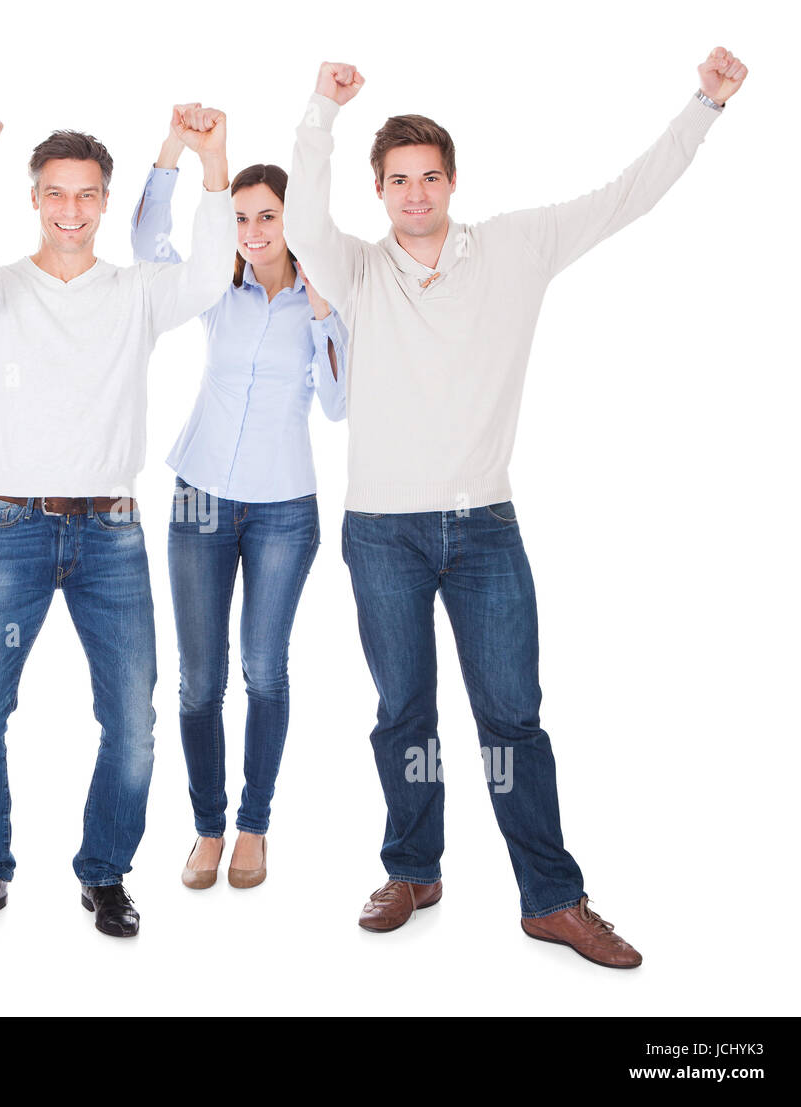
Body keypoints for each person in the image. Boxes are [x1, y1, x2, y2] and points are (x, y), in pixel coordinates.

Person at [285, 47, 748, 968]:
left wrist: (706, 103)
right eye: (397, 181)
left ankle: (551, 896)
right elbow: (302, 216)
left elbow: (628, 194)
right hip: (382, 531)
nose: (414, 193)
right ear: (378, 192)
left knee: (510, 718)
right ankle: (414, 867)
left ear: (452, 181)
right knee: (403, 712)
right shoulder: (358, 271)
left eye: (428, 177)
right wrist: (319, 113)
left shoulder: (514, 247)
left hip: (485, 528)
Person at [0, 103, 235, 939]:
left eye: (87, 196)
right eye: (56, 194)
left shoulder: (134, 292)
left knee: (132, 722)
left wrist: (213, 161)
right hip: (12, 529)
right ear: (34, 199)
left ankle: (104, 873)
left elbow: (211, 275)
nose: (71, 210)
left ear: (104, 203)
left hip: (109, 534)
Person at [129, 119, 347, 889]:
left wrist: (322, 309)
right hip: (200, 500)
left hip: (285, 508)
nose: (253, 232)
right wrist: (173, 154)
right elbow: (147, 242)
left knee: (264, 669)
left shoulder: (330, 295)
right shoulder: (218, 290)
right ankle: (207, 826)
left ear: (295, 221)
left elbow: (339, 404)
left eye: (268, 217)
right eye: (242, 217)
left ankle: (255, 825)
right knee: (198, 679)